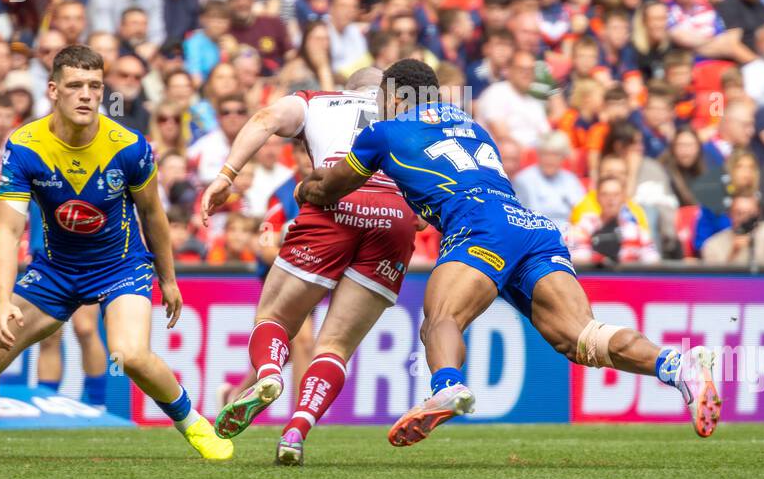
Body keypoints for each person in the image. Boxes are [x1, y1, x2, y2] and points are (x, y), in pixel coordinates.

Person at [295, 59, 721, 444]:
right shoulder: (469, 124)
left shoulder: (380, 133)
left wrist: (305, 188)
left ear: (394, 96)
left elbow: (333, 187)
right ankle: (675, 364)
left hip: (479, 226)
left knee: (441, 319)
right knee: (581, 338)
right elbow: (447, 176)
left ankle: (447, 387)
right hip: (530, 226)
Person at [0, 45, 232, 462]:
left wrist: (169, 279)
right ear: (53, 90)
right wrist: (2, 301)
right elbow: (9, 231)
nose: (86, 94)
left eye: (95, 86)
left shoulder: (130, 146)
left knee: (131, 354)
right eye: (75, 86)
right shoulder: (25, 146)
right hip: (54, 272)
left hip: (120, 266)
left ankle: (195, 425)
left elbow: (153, 215)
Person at [195, 66, 418, 465]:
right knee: (334, 347)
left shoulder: (318, 100)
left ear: (346, 89)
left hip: (334, 203)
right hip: (394, 217)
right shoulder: (408, 114)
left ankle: (268, 375)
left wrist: (227, 176)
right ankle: (296, 431)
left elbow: (264, 119)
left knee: (275, 318)